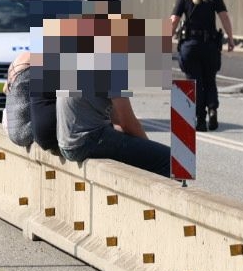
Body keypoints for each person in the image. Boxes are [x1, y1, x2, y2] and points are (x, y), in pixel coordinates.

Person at [56, 16, 170, 176]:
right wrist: (147, 147)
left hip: (67, 142)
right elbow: (127, 122)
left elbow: (117, 120)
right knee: (168, 159)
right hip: (86, 141)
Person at [168, 0, 234, 131]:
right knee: (210, 80)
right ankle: (212, 109)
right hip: (210, 46)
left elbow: (174, 20)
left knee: (194, 83)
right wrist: (231, 39)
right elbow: (224, 18)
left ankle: (200, 120)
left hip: (190, 47)